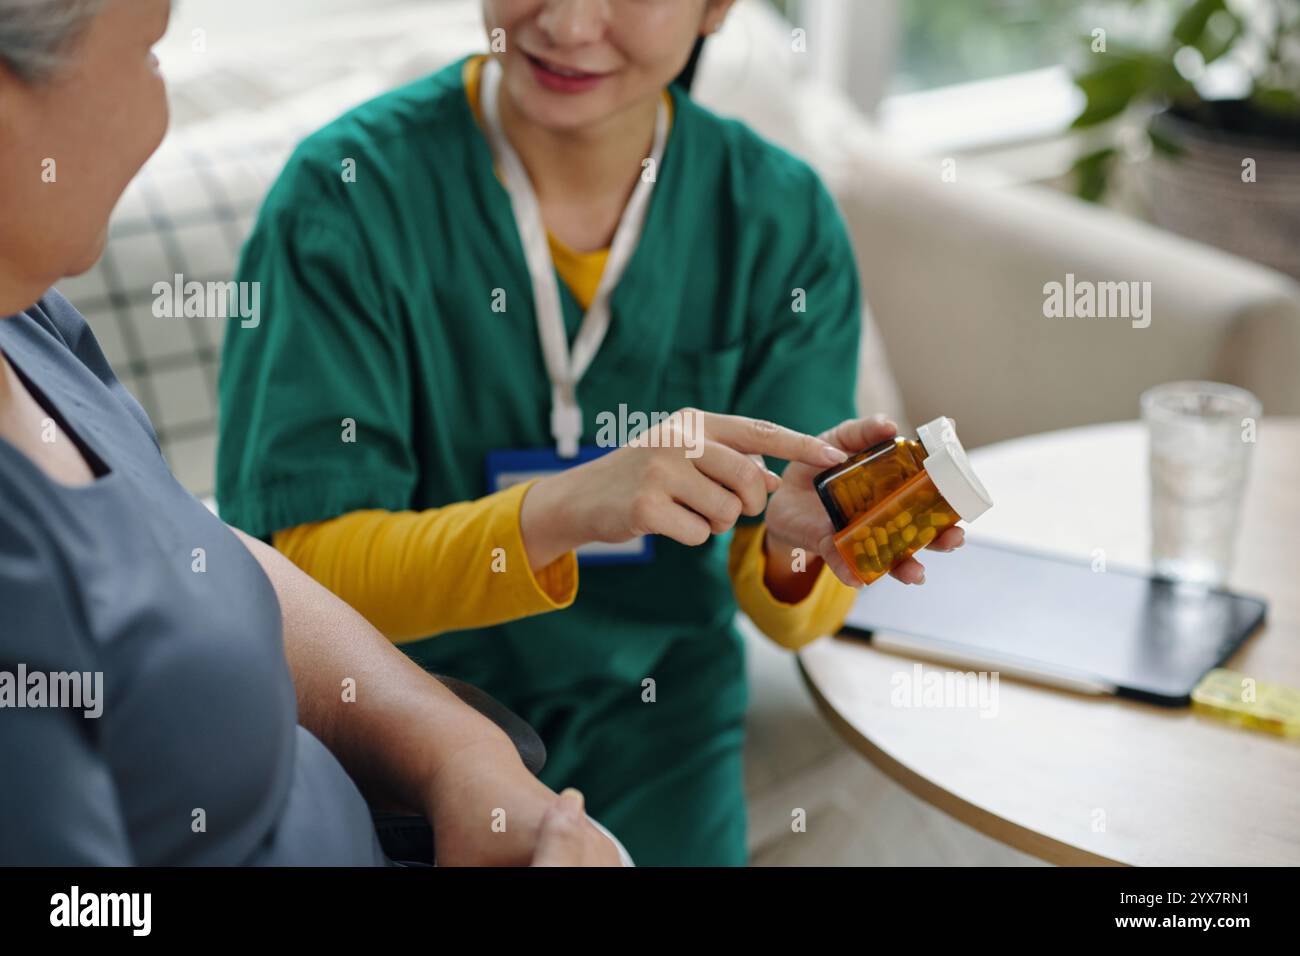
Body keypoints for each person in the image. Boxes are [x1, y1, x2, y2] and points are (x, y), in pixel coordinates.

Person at [216, 0, 964, 866]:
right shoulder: (345, 196)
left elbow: (793, 617)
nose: (567, 25)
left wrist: (794, 552)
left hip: (660, 722)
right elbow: (293, 580)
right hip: (394, 718)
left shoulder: (777, 219)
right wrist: (562, 511)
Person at [0, 0, 622, 867]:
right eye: (148, 54)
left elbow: (198, 553)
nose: (573, 22)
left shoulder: (27, 321)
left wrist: (459, 756)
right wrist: (549, 518)